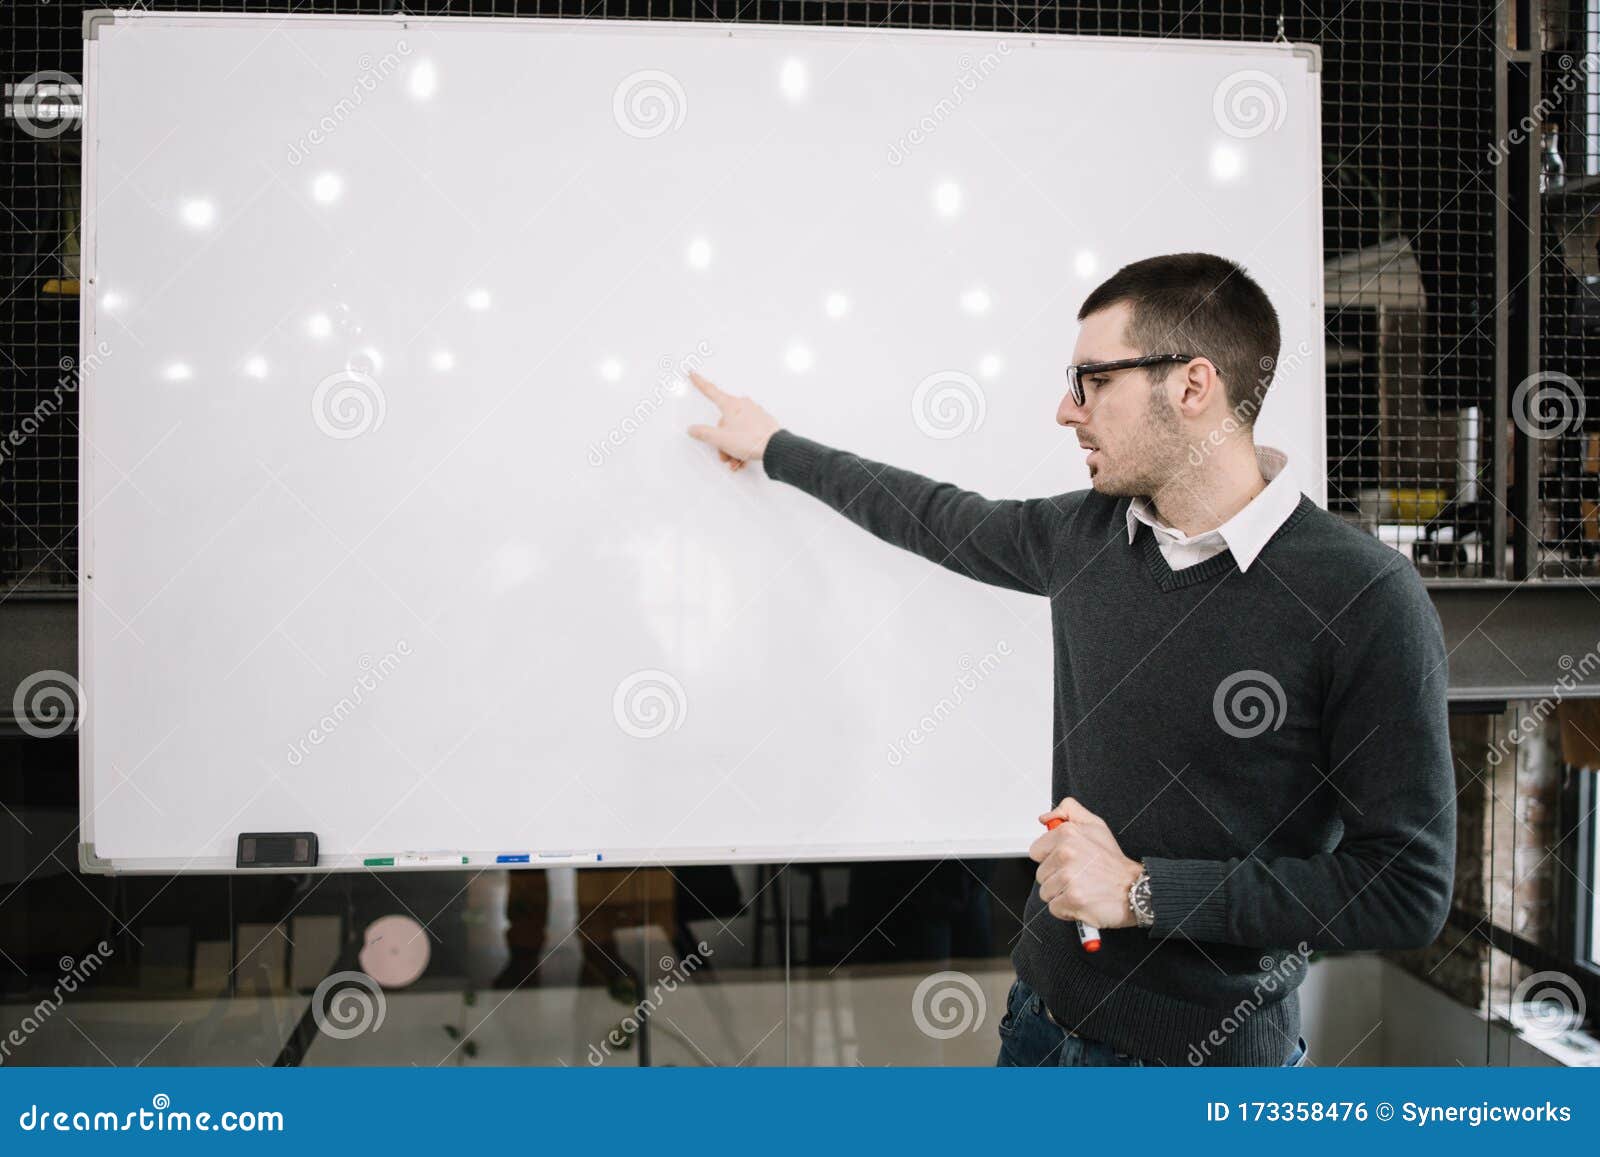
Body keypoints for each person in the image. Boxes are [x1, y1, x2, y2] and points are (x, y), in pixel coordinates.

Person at [685, 252, 1456, 1067]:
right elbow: (933, 515)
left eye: (1092, 380)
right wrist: (776, 446)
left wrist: (1145, 891)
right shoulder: (1086, 537)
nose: (1065, 409)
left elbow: (1406, 889)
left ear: (1193, 387)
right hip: (1039, 1026)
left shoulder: (1364, 595)